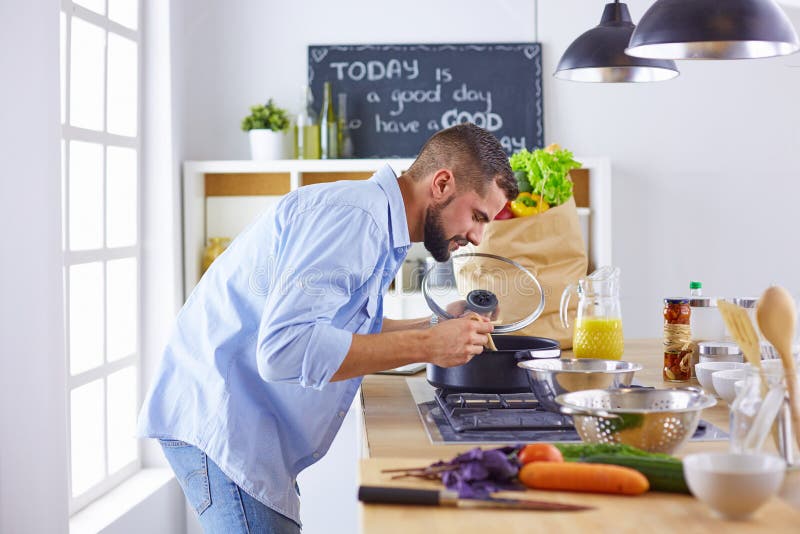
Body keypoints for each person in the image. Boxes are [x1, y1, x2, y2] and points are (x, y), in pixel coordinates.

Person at [137, 122, 519, 533]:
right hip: (224, 423)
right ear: (442, 183)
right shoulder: (356, 219)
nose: (479, 236)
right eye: (478, 216)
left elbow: (338, 331)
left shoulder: (375, 223)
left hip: (244, 423)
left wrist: (435, 324)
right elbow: (285, 349)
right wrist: (428, 344)